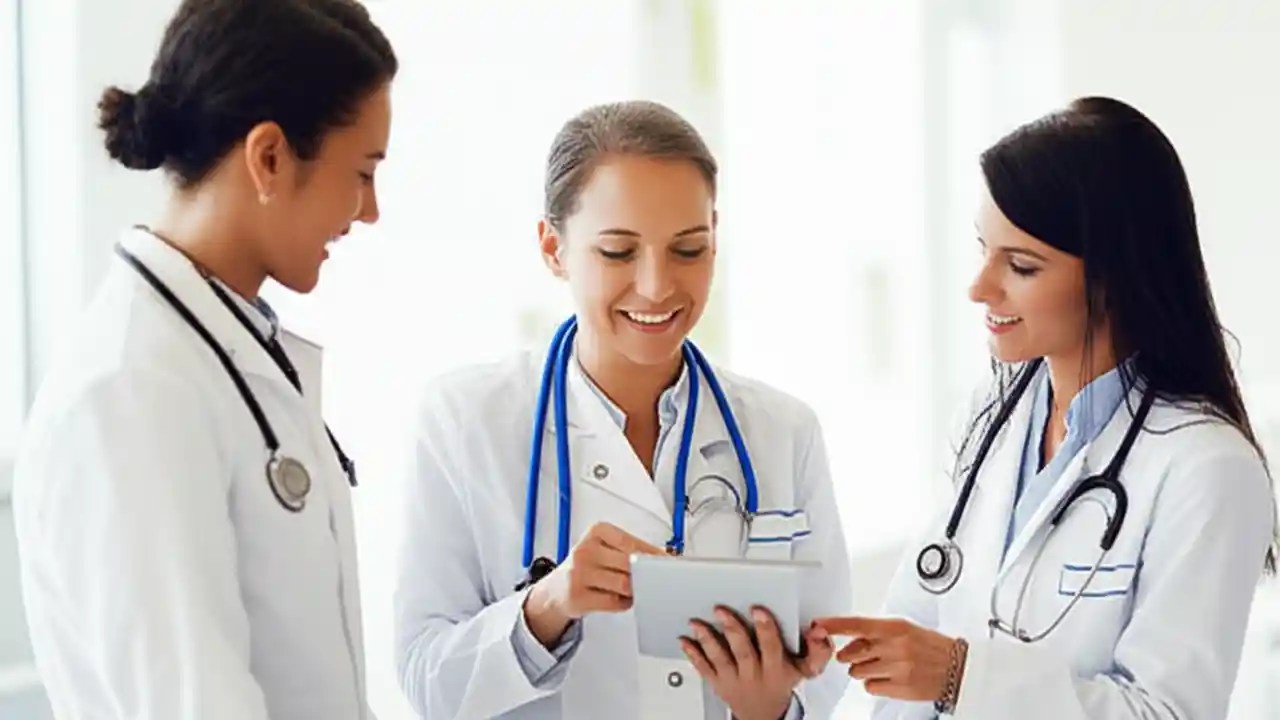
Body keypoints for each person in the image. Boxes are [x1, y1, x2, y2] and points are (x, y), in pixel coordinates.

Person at [816, 96, 1278, 718]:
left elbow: (1168, 713)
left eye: (1022, 266)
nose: (980, 287)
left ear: (1114, 276)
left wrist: (962, 677)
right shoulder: (992, 419)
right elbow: (911, 643)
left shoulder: (1206, 467)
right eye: (984, 249)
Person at [393, 100, 852, 719]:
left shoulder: (782, 431)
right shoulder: (465, 419)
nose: (657, 285)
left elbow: (820, 678)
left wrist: (767, 709)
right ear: (553, 248)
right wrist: (546, 608)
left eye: (688, 250)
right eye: (617, 252)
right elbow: (427, 681)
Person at [12, 1, 395, 718]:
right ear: (270, 156)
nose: (368, 210)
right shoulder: (130, 390)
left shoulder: (222, 348)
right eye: (363, 171)